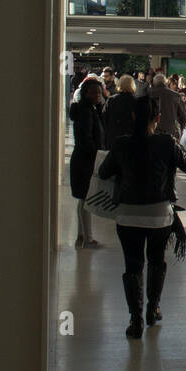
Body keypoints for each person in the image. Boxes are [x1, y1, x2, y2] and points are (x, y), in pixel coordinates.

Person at [98, 96, 186, 339]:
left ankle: (135, 319)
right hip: (159, 215)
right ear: (158, 117)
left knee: (132, 266)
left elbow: (103, 172)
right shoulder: (166, 142)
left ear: (133, 116)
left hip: (128, 215)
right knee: (156, 261)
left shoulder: (122, 144)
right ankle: (153, 308)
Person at [69, 76, 105, 249]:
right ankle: (87, 238)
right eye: (94, 92)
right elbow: (87, 138)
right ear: (85, 93)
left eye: (99, 92)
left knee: (82, 199)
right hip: (86, 159)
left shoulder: (87, 109)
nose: (98, 95)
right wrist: (96, 154)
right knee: (85, 199)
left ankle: (82, 235)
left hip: (82, 158)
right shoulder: (86, 112)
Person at [151, 72, 186, 142]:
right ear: (165, 83)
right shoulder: (175, 95)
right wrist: (180, 129)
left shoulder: (149, 94)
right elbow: (184, 115)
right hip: (171, 131)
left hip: (152, 131)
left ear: (154, 83)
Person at [104, 73, 138, 145]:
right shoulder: (135, 101)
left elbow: (104, 118)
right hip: (130, 137)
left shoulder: (111, 100)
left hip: (113, 136)